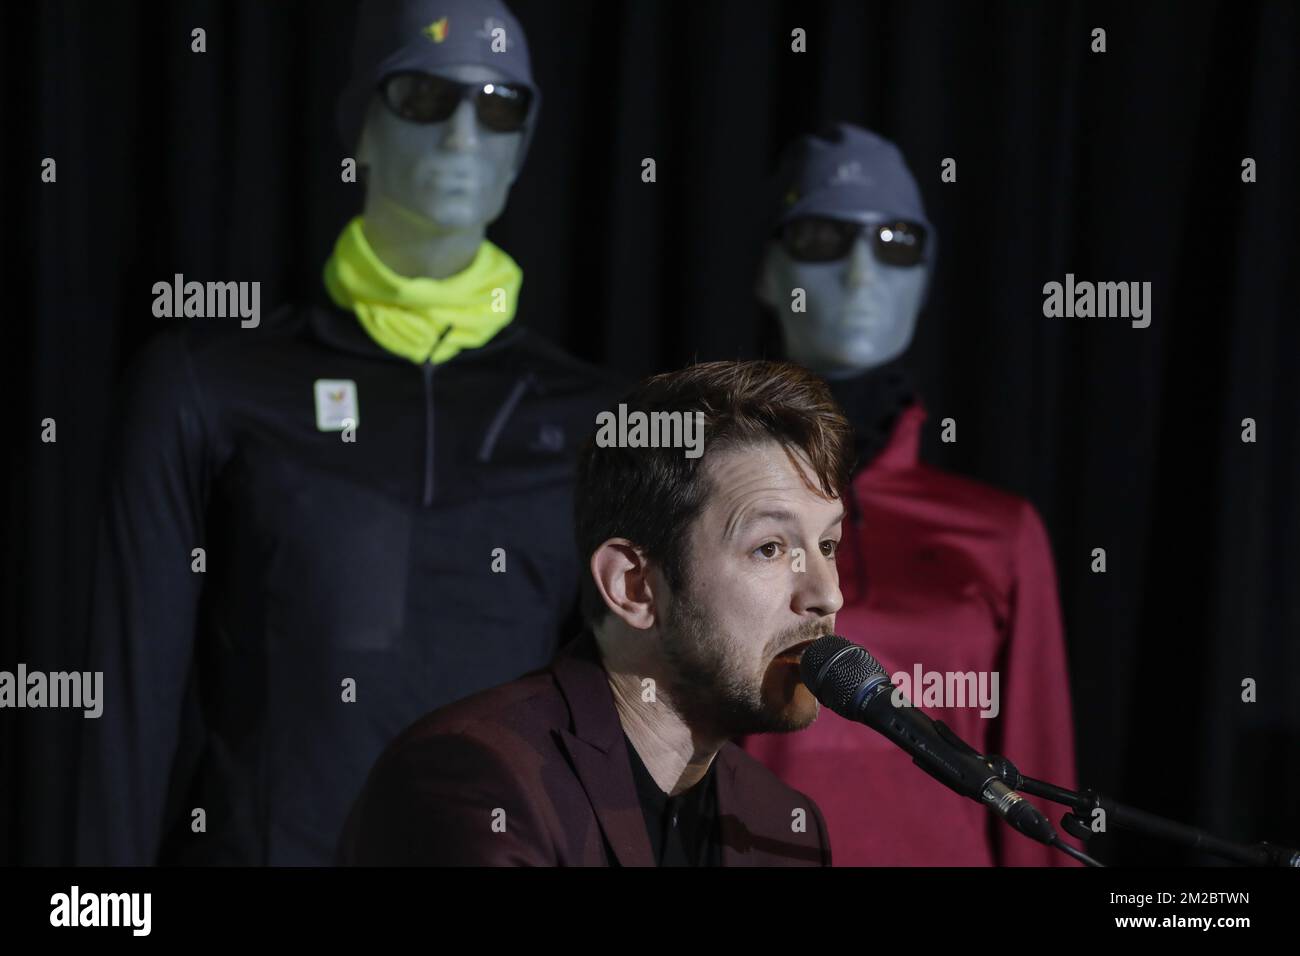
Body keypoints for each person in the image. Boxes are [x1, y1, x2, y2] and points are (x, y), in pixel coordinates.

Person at [77, 0, 618, 865]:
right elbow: (123, 711)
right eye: (423, 96)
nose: (462, 134)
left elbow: (637, 739)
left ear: (523, 148)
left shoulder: (598, 421)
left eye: (498, 104)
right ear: (358, 126)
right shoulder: (210, 383)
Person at [340, 360, 850, 865]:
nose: (827, 595)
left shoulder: (783, 826)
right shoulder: (475, 781)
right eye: (769, 548)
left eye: (827, 545)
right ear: (633, 586)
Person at [740, 123, 1080, 866]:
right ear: (769, 271)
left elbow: (1037, 772)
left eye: (896, 242)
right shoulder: (696, 500)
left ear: (925, 279)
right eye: (826, 237)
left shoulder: (999, 531)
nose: (863, 273)